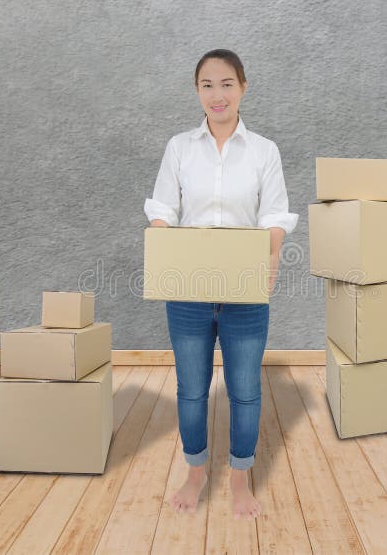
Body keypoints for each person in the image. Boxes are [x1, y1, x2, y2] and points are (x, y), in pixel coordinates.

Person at [144, 49, 298, 520]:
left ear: (243, 87)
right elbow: (163, 209)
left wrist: (268, 255)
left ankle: (239, 478)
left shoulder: (264, 151)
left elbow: (275, 214)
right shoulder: (179, 148)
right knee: (192, 388)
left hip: (244, 291)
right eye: (207, 85)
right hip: (188, 291)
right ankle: (196, 473)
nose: (218, 94)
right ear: (197, 91)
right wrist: (163, 244)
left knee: (245, 389)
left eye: (227, 84)